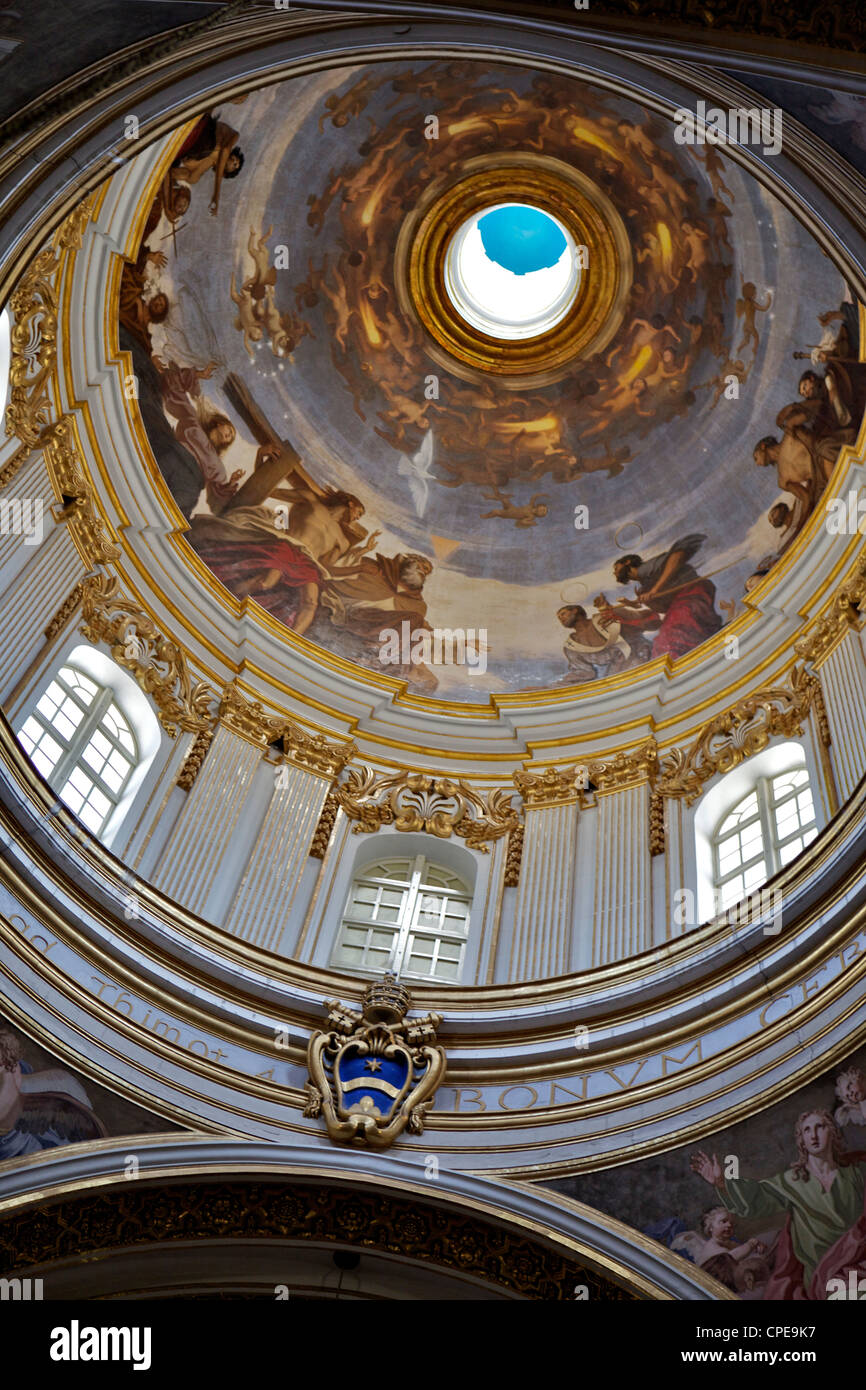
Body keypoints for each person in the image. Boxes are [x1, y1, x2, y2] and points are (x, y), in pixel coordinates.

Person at [691, 1109, 866, 1299]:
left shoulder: (856, 1172)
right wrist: (722, 1183)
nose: (813, 1135)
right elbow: (757, 1199)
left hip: (858, 1260)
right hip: (822, 1271)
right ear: (802, 1140)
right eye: (807, 1130)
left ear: (832, 1131)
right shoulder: (791, 1182)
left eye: (820, 1127)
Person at [610, 534, 722, 661]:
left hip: (691, 592)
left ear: (627, 562)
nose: (615, 572)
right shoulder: (643, 583)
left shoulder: (645, 569)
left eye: (616, 568)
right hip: (683, 600)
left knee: (673, 633)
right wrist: (633, 603)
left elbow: (677, 556)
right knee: (670, 635)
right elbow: (659, 606)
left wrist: (654, 590)